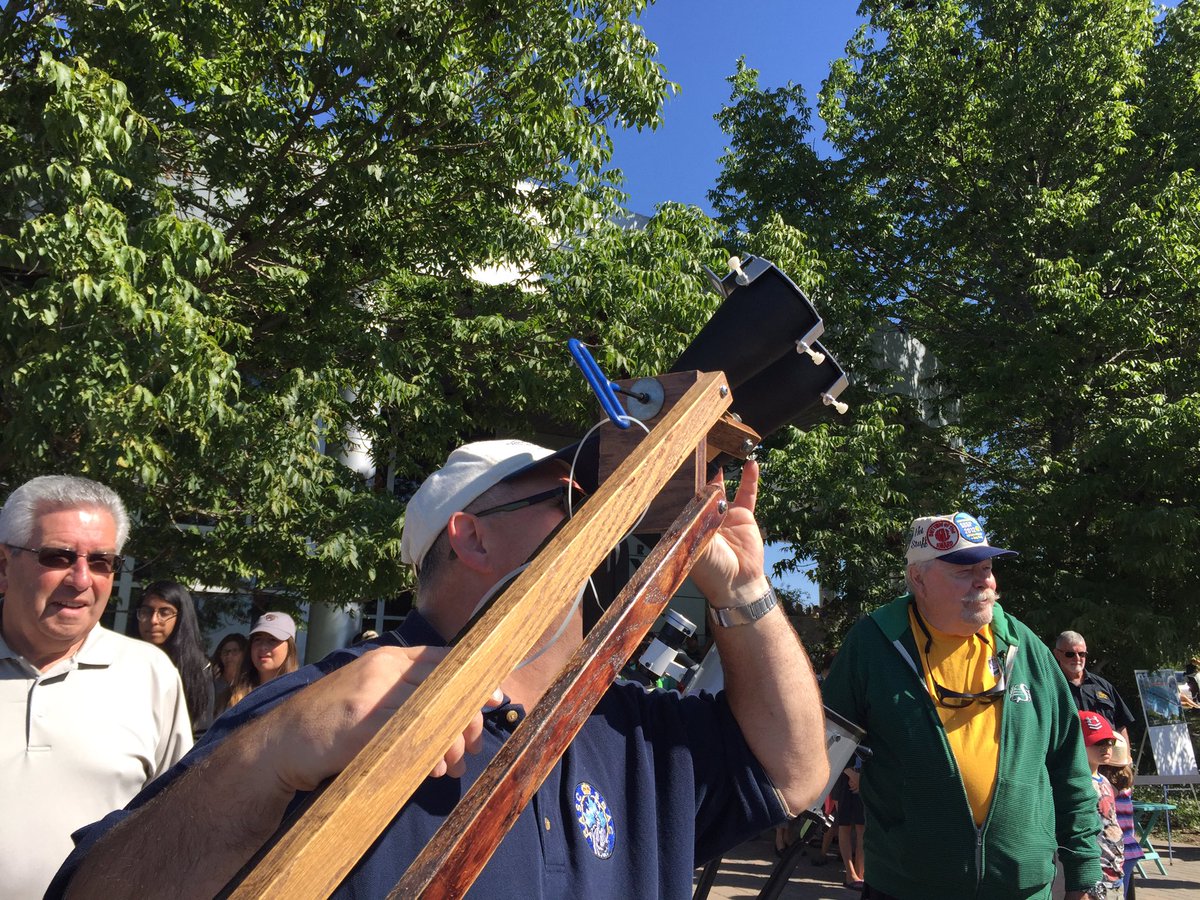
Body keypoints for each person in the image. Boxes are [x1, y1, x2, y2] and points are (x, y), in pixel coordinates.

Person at [52, 439, 828, 899]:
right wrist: (267, 755)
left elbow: (796, 774)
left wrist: (744, 586)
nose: (605, 519)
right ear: (470, 536)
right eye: (572, 498)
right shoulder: (339, 707)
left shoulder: (627, 723)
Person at [822, 511, 1103, 899]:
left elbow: (1069, 767)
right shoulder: (874, 644)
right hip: (907, 887)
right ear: (918, 578)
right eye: (962, 570)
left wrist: (1082, 874)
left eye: (986, 568)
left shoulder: (1026, 649)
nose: (983, 581)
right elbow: (823, 745)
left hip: (1021, 888)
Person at [0, 475, 192, 899]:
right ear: (3, 566)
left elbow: (179, 827)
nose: (82, 579)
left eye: (102, 561)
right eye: (59, 557)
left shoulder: (150, 674)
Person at [135, 580, 215, 736]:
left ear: (181, 617)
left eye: (164, 612)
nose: (153, 620)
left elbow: (200, 729)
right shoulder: (124, 660)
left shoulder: (199, 668)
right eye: (146, 611)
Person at [1053, 630, 1137, 743]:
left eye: (1082, 654)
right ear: (1057, 654)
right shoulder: (1051, 687)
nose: (1077, 658)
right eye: (1070, 654)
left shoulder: (1103, 686)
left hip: (1108, 755)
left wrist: (1126, 758)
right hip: (1072, 757)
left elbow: (1121, 724)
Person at [1079, 711, 1125, 899]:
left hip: (1114, 868)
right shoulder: (1074, 783)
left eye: (1109, 742)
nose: (1106, 748)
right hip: (1091, 871)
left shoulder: (1105, 781)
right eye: (1098, 742)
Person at [1100, 733, 1142, 899]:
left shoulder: (1108, 787)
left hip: (1117, 847)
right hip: (1131, 846)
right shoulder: (1126, 787)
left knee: (1113, 891)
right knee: (1121, 892)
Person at [227, 611, 299, 706]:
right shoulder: (229, 697)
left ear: (290, 648)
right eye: (258, 639)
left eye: (273, 640)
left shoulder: (299, 696)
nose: (263, 647)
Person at [210, 631, 248, 716]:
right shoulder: (212, 685)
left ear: (244, 654)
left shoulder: (249, 685)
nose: (229, 655)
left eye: (235, 651)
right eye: (225, 652)